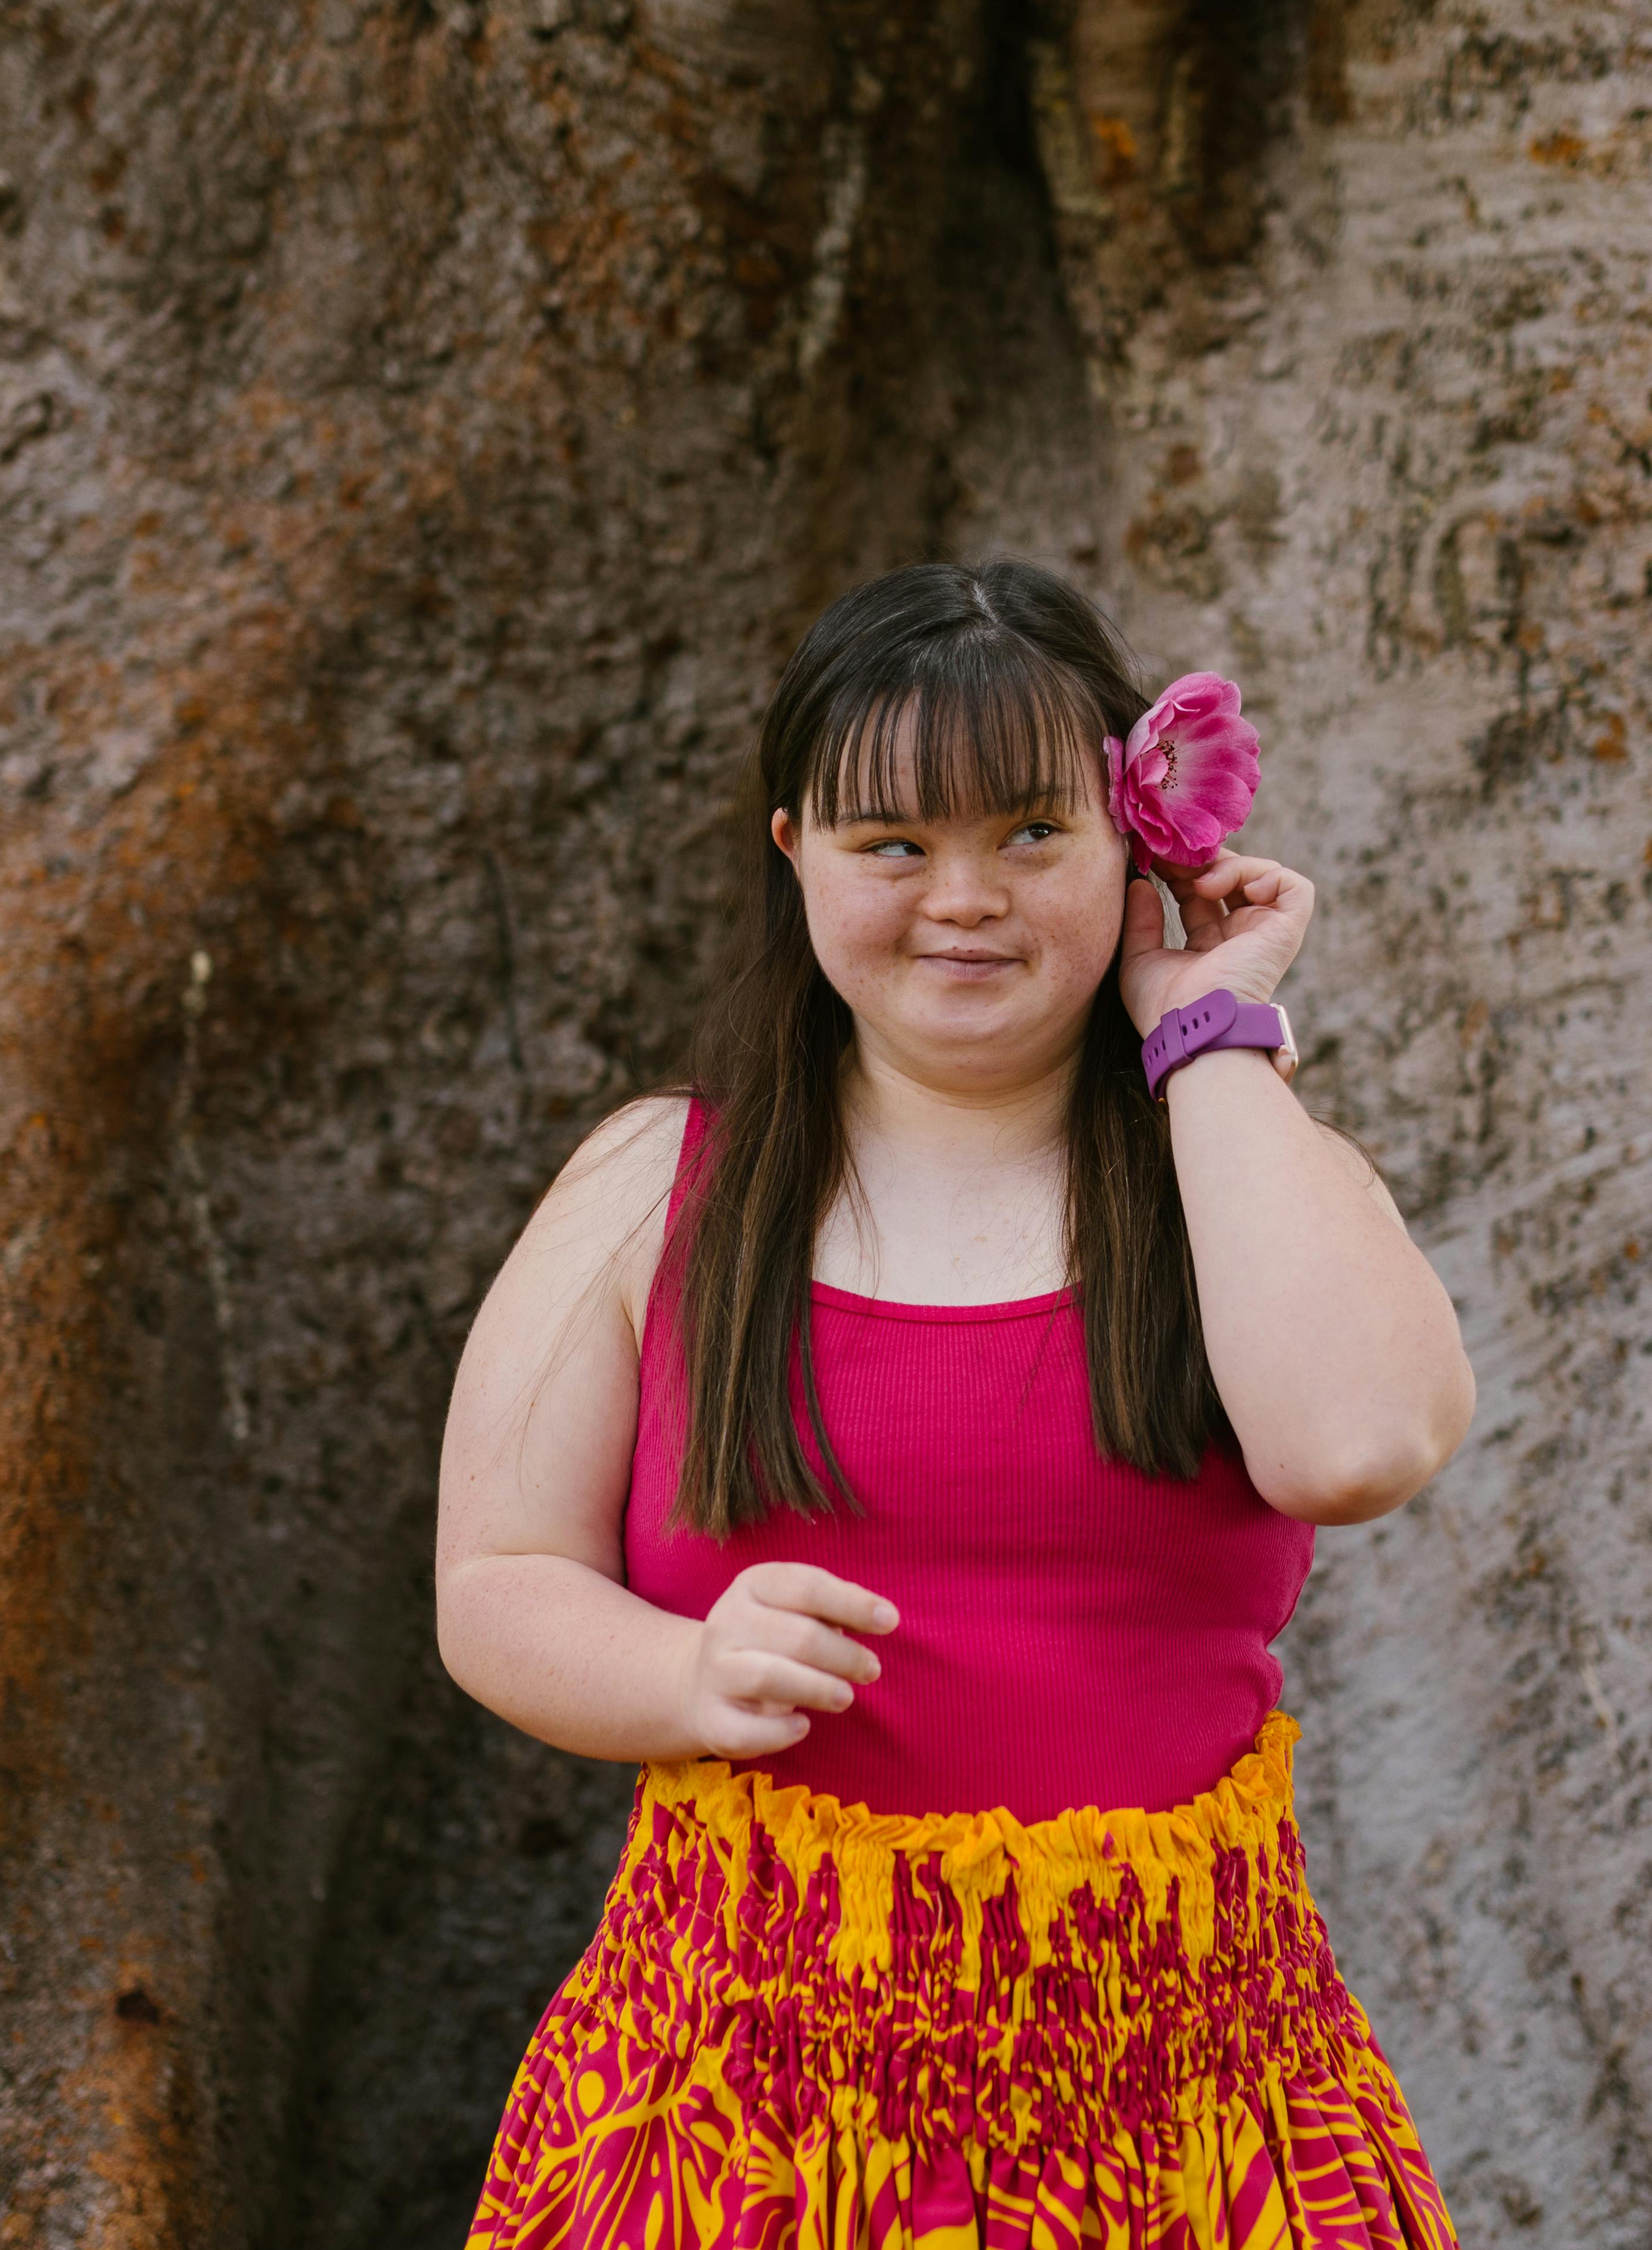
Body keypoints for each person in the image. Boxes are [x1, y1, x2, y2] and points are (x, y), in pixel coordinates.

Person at [436, 560, 1477, 2245]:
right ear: (796, 855)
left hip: (1193, 2114)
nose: (963, 898)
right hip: (738, 2114)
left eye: (1029, 835)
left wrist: (1208, 1030)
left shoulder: (1242, 1171)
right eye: (891, 844)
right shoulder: (654, 1182)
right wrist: (680, 1669)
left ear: (1138, 843)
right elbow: (493, 1583)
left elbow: (1354, 1445)